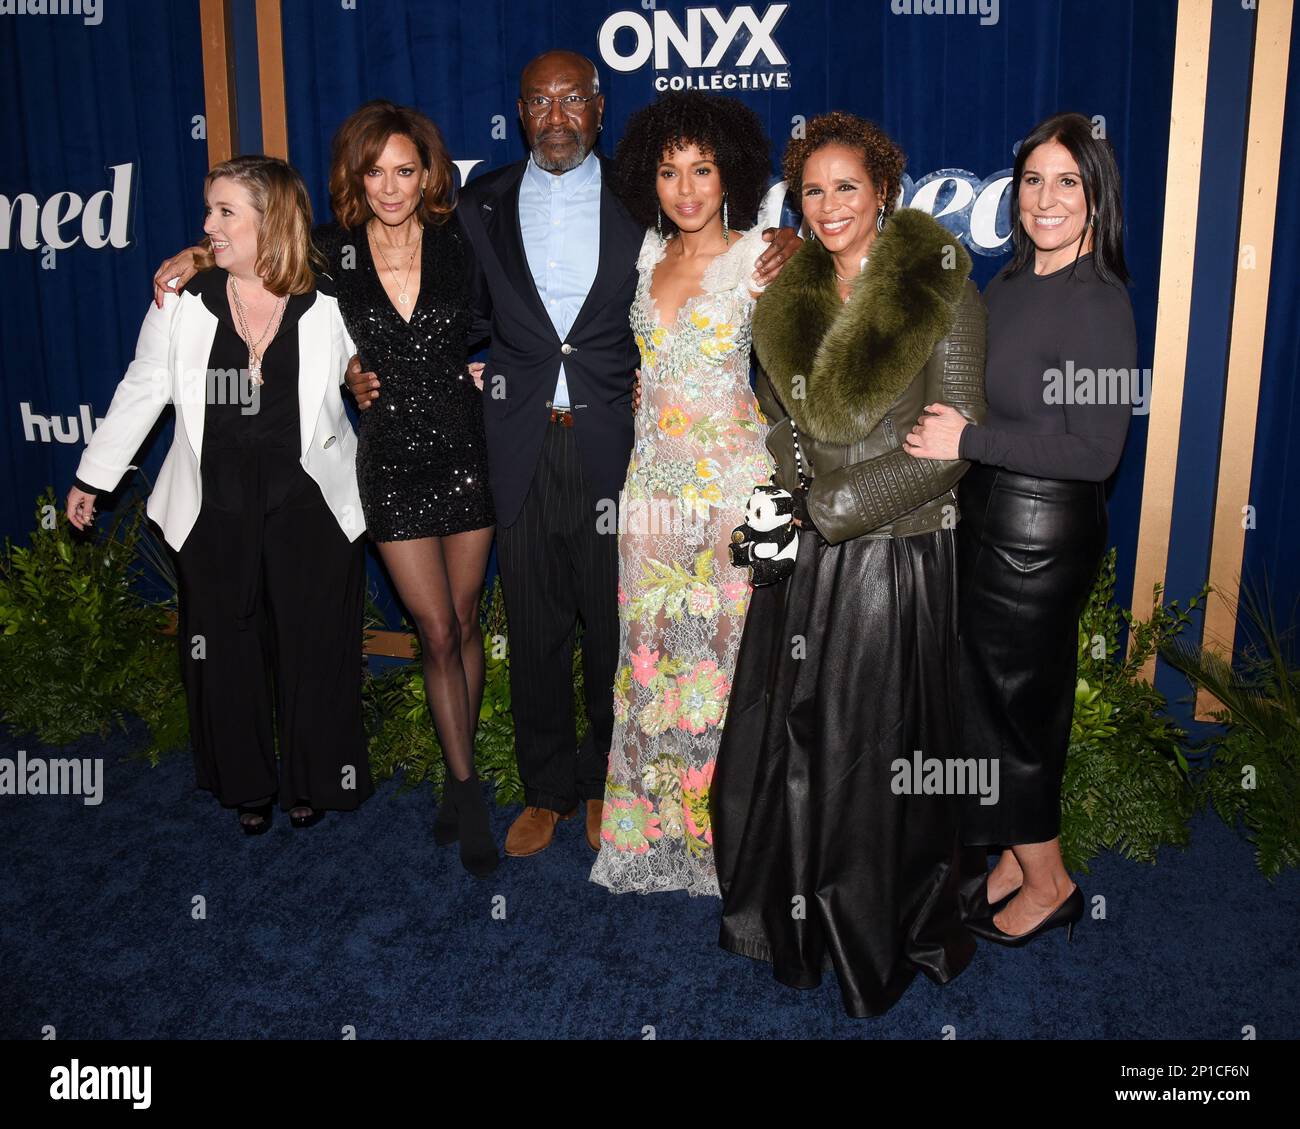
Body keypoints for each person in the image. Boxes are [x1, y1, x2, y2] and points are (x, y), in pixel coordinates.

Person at [346, 51, 800, 860]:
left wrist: (787, 243)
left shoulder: (647, 196)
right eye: (539, 103)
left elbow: (722, 247)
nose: (556, 116)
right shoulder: (478, 206)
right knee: (533, 624)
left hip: (622, 448)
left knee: (613, 624)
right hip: (515, 443)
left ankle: (599, 782)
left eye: (573, 101)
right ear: (521, 114)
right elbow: (385, 265)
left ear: (598, 108)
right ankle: (546, 788)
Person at [151, 103, 499, 878]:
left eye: (405, 169)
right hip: (390, 464)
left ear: (428, 174)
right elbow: (253, 252)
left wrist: (491, 372)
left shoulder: (461, 240)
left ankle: (455, 771)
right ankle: (471, 790)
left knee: (468, 620)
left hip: (466, 451)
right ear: (355, 176)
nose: (390, 185)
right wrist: (194, 257)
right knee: (436, 630)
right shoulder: (331, 251)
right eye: (374, 171)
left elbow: (514, 314)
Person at [711, 112, 988, 1017]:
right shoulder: (786, 294)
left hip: (892, 552)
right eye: (814, 190)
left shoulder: (941, 290)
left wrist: (829, 509)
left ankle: (870, 927)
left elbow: (948, 449)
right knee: (788, 739)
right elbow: (782, 418)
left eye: (848, 188)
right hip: (807, 553)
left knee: (871, 755)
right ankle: (789, 919)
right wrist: (787, 495)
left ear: (884, 193)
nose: (830, 206)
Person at [70, 155, 371, 835]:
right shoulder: (183, 300)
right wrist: (95, 473)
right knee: (221, 648)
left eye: (224, 212)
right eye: (208, 211)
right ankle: (247, 783)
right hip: (212, 505)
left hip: (311, 502)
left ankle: (312, 778)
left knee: (312, 645)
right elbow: (145, 386)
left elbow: (380, 363)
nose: (207, 225)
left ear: (272, 221)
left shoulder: (331, 297)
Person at [907, 111, 1136, 945]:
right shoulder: (1007, 283)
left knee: (1010, 717)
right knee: (988, 707)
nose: (1046, 198)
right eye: (1033, 179)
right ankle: (1011, 855)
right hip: (987, 520)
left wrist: (966, 441)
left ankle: (1051, 881)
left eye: (1067, 181)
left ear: (1095, 196)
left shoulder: (1099, 302)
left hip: (1043, 534)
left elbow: (1098, 448)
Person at [587, 92, 778, 896]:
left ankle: (740, 832)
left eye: (702, 169)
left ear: (728, 171)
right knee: (654, 658)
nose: (687, 187)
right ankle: (660, 829)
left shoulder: (764, 255)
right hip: (652, 490)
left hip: (734, 486)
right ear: (649, 180)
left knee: (733, 666)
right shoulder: (643, 256)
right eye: (670, 171)